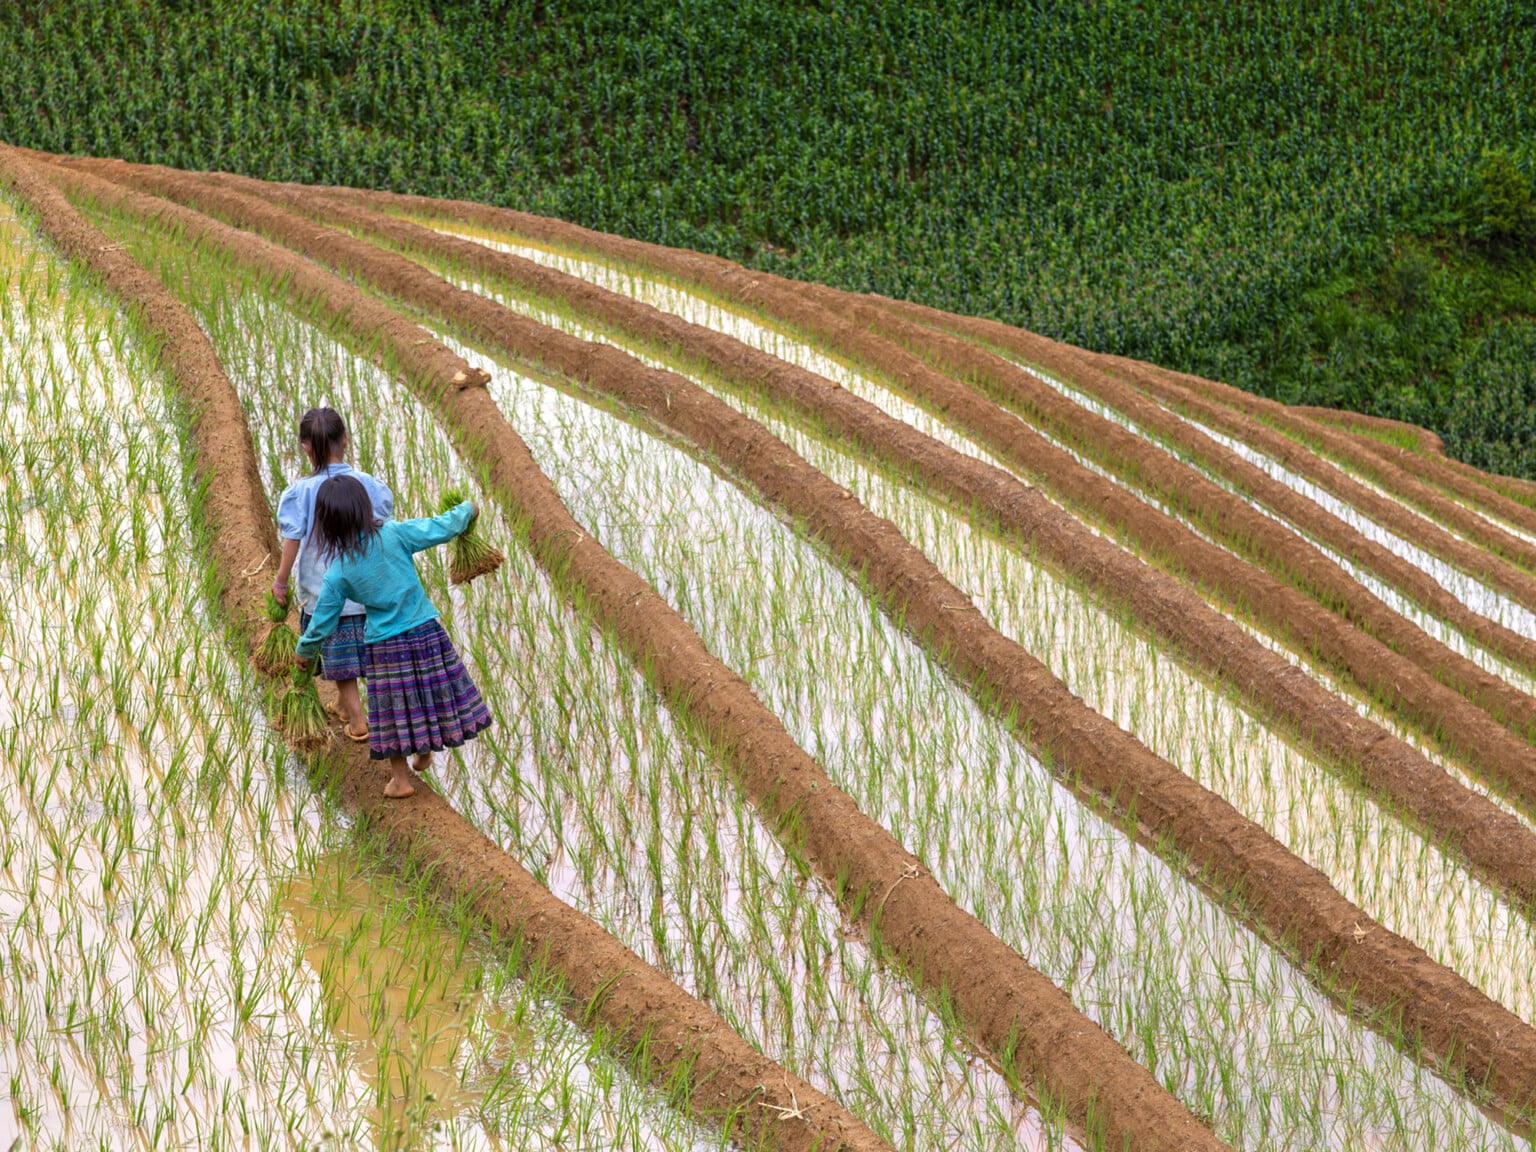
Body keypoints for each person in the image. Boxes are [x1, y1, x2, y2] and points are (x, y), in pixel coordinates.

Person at [295, 475, 492, 798]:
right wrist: (467, 510)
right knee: (427, 691)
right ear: (364, 507)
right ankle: (425, 749)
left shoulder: (339, 571)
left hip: (385, 646)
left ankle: (400, 782)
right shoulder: (394, 534)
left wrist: (305, 650)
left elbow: (322, 622)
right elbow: (438, 527)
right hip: (425, 633)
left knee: (393, 710)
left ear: (327, 526)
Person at [272, 408, 394, 743]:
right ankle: (345, 706)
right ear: (346, 440)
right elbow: (384, 530)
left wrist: (280, 581)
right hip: (367, 588)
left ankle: (357, 719)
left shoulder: (300, 491)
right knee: (362, 651)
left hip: (322, 589)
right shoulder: (369, 485)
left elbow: (292, 539)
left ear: (305, 447)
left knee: (338, 655)